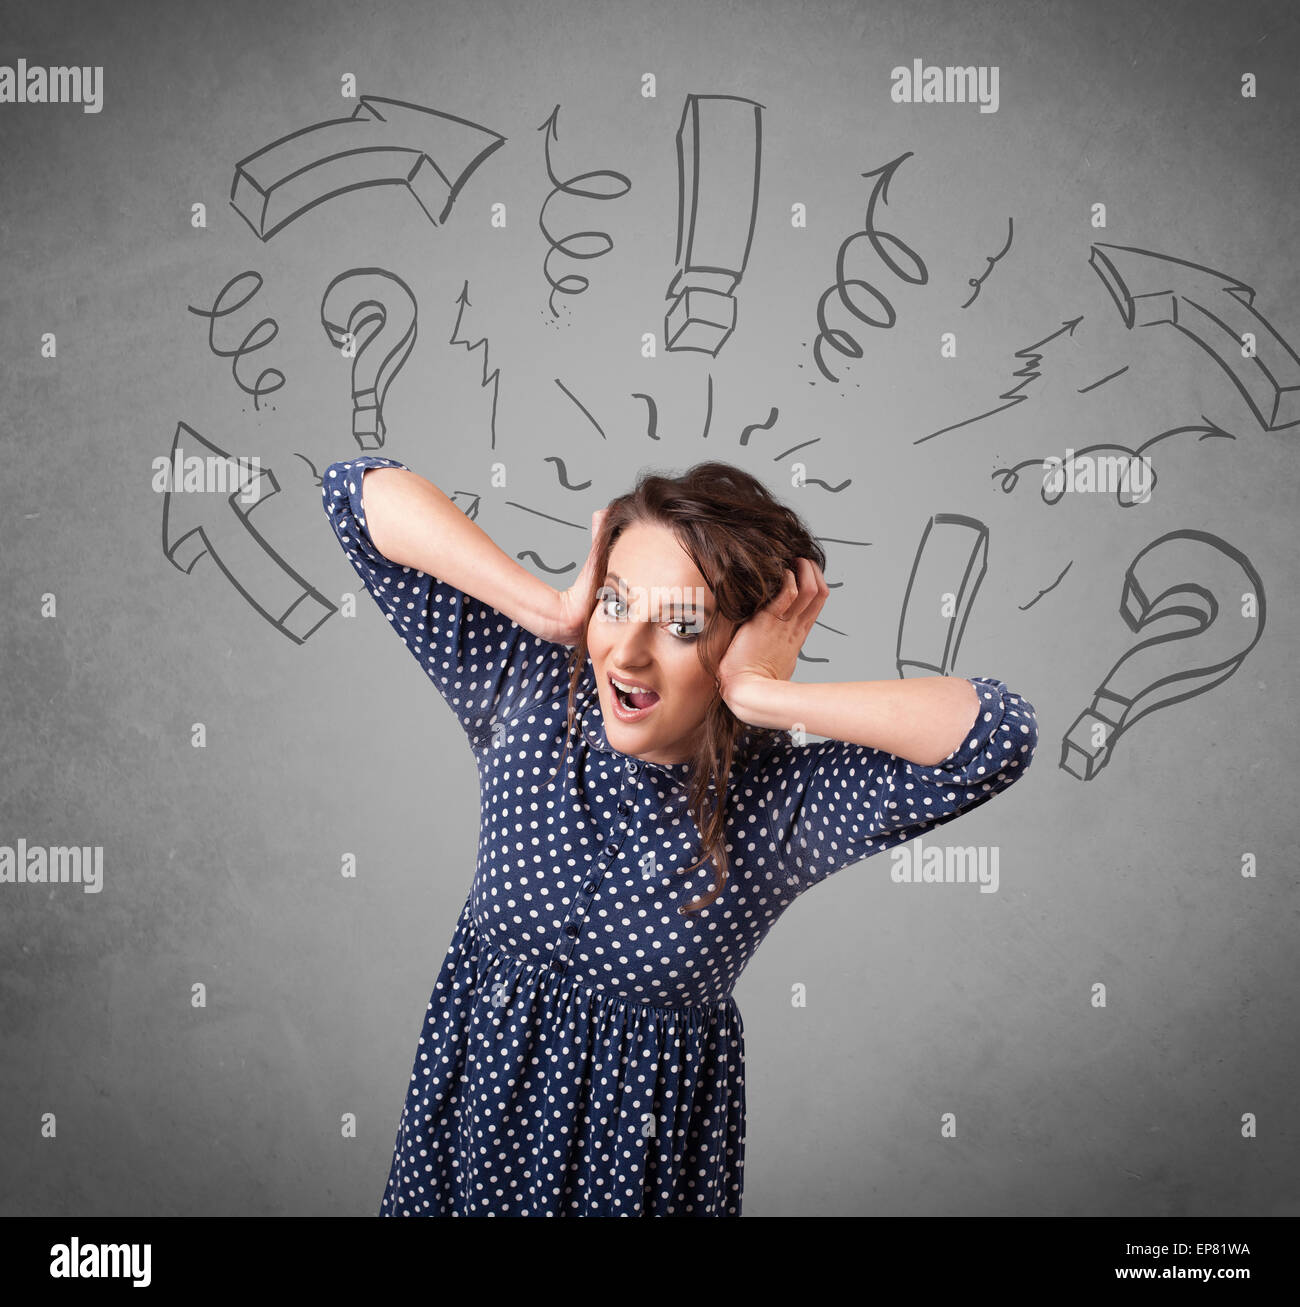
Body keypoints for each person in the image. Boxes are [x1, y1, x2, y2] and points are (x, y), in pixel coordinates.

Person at [321, 454, 1039, 1216]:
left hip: (631, 1184)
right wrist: (556, 610)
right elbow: (356, 490)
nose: (627, 653)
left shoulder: (778, 806)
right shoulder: (528, 693)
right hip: (456, 1169)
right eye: (617, 603)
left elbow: (997, 735)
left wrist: (764, 693)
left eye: (681, 625)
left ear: (736, 644)